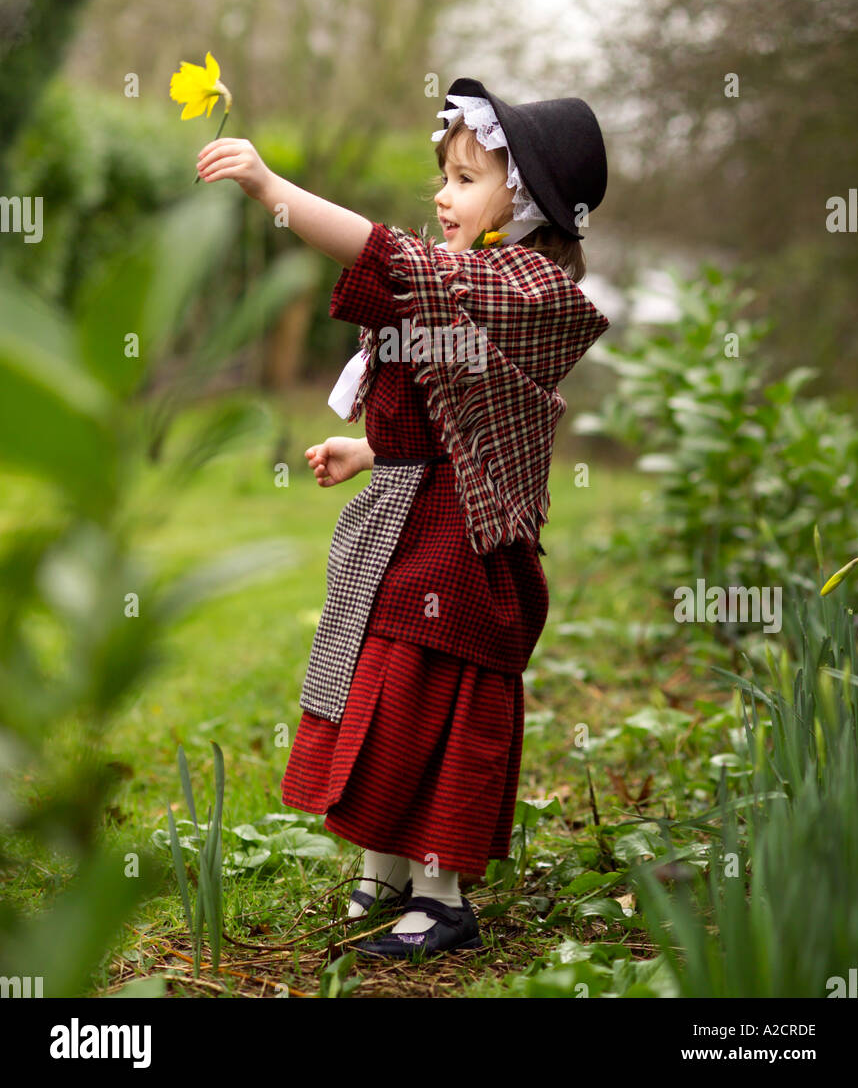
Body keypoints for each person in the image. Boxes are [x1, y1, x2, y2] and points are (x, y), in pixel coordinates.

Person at [195, 76, 611, 958]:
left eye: (464, 178)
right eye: (445, 176)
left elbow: (386, 256)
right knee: (382, 690)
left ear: (527, 201)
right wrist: (372, 452)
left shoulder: (526, 291)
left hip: (468, 556)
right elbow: (450, 414)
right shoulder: (470, 282)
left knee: (438, 698)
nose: (441, 195)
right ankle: (384, 867)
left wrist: (273, 190)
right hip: (413, 528)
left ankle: (441, 892)